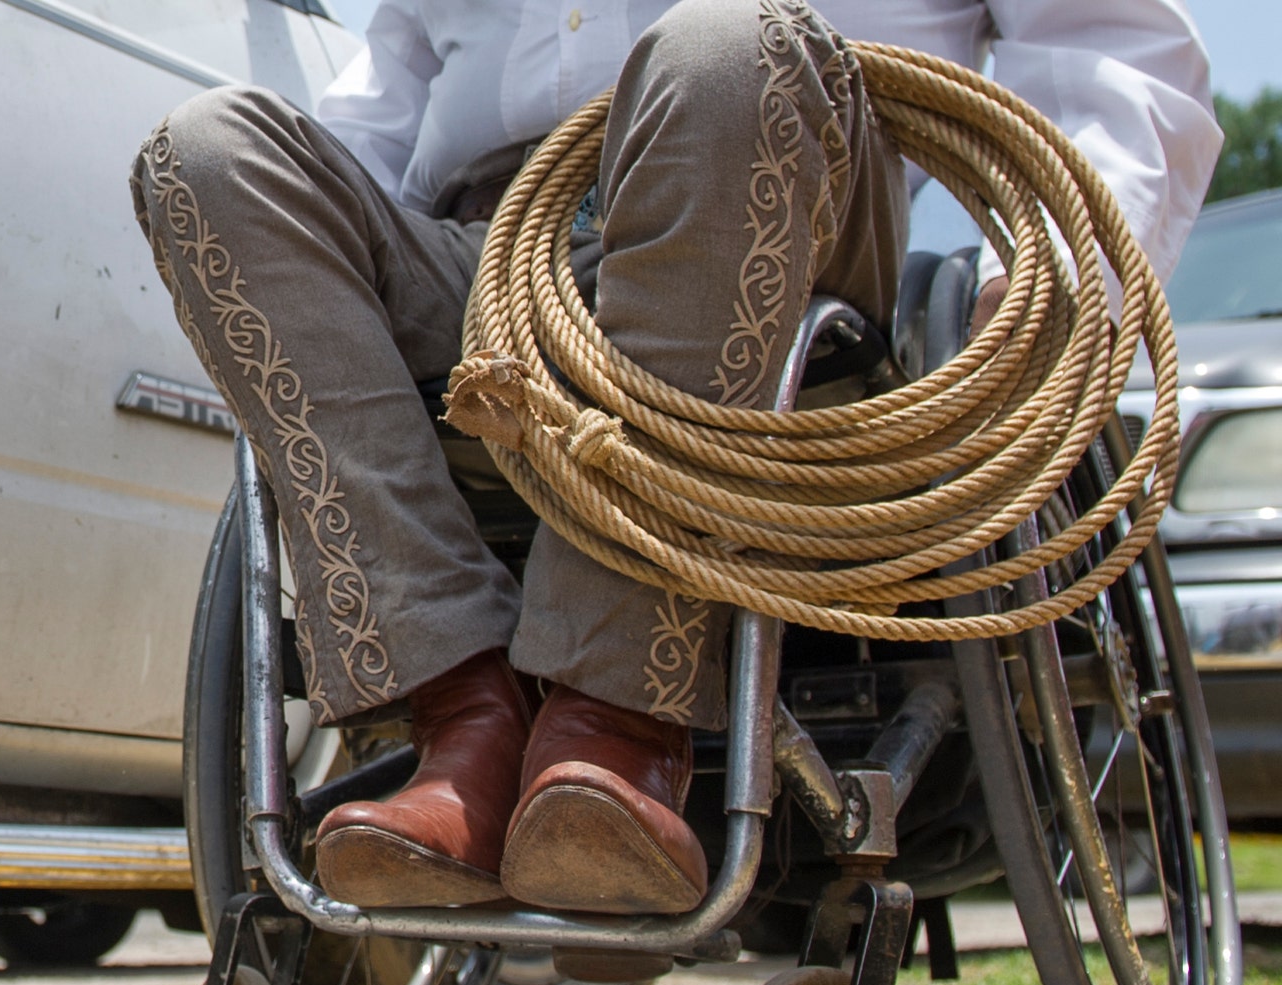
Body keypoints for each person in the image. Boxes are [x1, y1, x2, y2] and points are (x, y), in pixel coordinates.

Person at [130, 0, 1218, 918]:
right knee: (210, 156)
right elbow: (381, 119)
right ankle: (466, 722)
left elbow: (1110, 47)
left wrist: (1053, 278)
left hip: (786, 186)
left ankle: (614, 725)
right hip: (496, 248)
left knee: (721, 49)